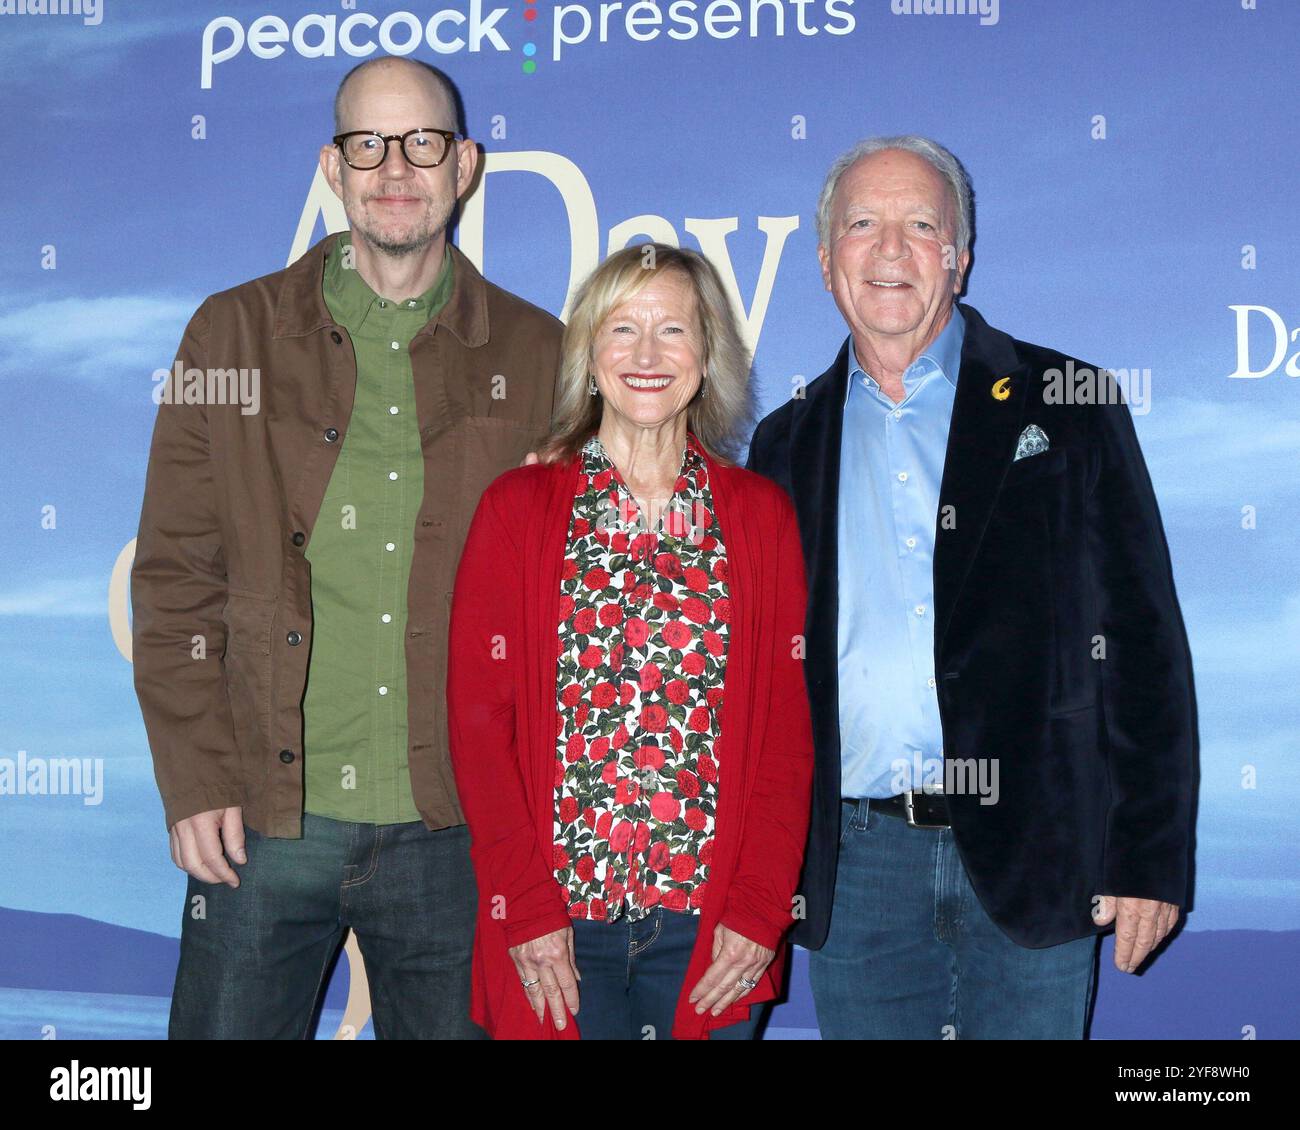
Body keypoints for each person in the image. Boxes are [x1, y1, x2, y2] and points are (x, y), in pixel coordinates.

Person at [130, 56, 563, 1039]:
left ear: (466, 165)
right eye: (369, 143)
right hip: (265, 815)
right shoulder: (228, 333)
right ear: (333, 165)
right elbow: (174, 577)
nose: (395, 168)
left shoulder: (541, 354)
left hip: (459, 829)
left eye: (423, 143)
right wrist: (196, 776)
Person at [746, 135, 1196, 1039]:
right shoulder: (786, 443)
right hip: (858, 867)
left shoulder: (1068, 401)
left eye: (920, 225)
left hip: (1039, 850)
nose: (889, 251)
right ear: (826, 260)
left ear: (959, 254)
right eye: (863, 225)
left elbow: (1143, 642)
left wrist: (1149, 855)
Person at [447, 243, 815, 1039]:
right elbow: (480, 730)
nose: (647, 356)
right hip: (557, 929)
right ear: (588, 355)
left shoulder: (759, 518)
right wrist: (525, 908)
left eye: (673, 330)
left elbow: (787, 737)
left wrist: (757, 911)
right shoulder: (516, 510)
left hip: (710, 936)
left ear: (707, 355)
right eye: (623, 329)